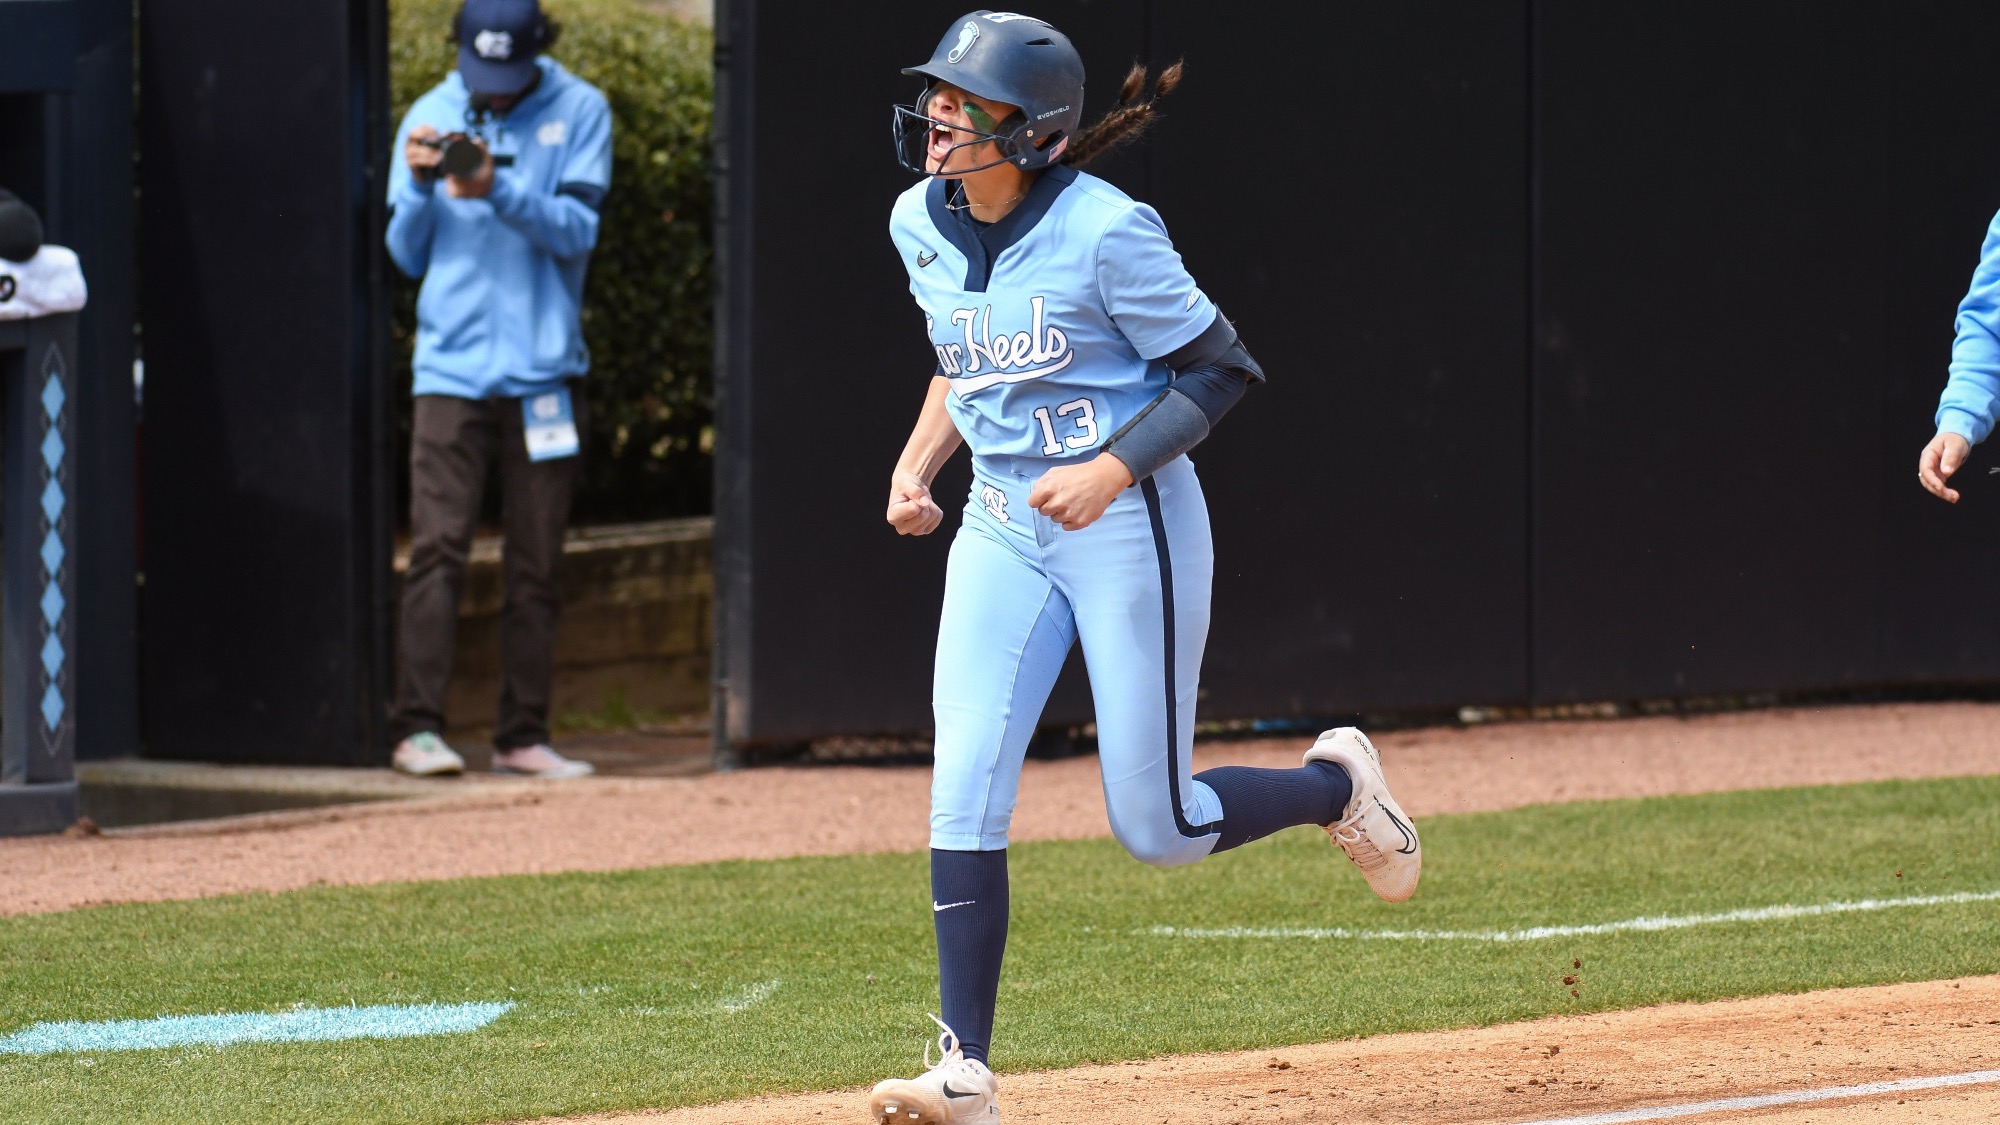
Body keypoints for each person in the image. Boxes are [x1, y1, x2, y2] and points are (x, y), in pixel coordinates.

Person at [867, 12, 1422, 1123]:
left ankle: (1336, 788)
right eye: (935, 92)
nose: (936, 114)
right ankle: (961, 1066)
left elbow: (1220, 369)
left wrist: (1113, 469)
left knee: (1154, 826)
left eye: (962, 102)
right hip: (999, 524)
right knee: (963, 776)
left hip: (1130, 525)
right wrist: (916, 462)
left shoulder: (1107, 231)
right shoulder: (914, 220)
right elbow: (958, 357)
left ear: (1028, 133)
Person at [383, 0, 611, 779]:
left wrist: (494, 189)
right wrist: (420, 186)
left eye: (510, 77)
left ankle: (521, 736)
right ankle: (414, 729)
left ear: (536, 53)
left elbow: (580, 230)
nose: (498, 93)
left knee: (537, 561)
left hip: (546, 373)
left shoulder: (580, 108)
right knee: (436, 550)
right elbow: (404, 255)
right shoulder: (429, 114)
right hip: (448, 375)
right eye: (486, 78)